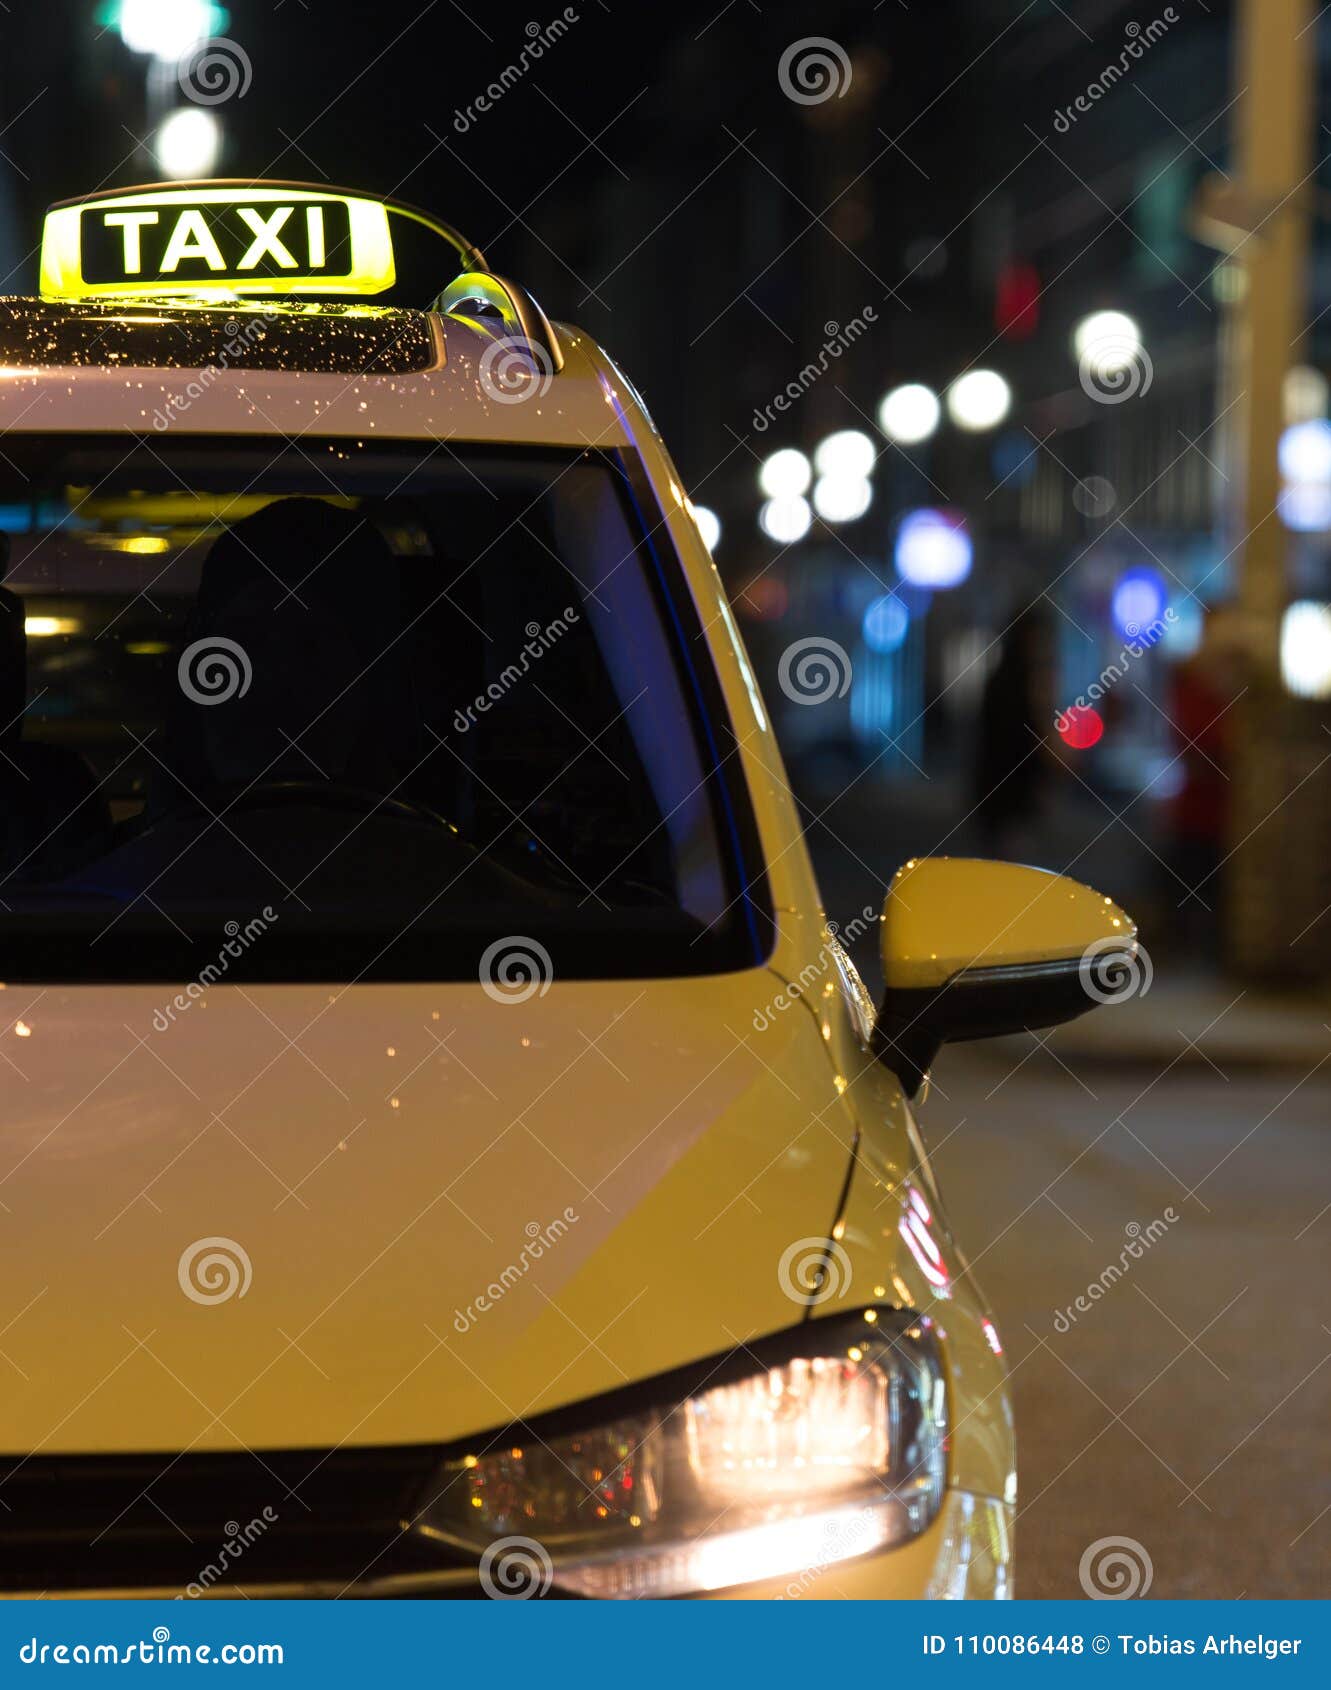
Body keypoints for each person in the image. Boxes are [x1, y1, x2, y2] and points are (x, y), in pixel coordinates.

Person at [970, 605, 1057, 859]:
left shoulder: (1002, 679)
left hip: (999, 794)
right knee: (1012, 866)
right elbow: (1026, 740)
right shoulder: (1018, 684)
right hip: (1009, 795)